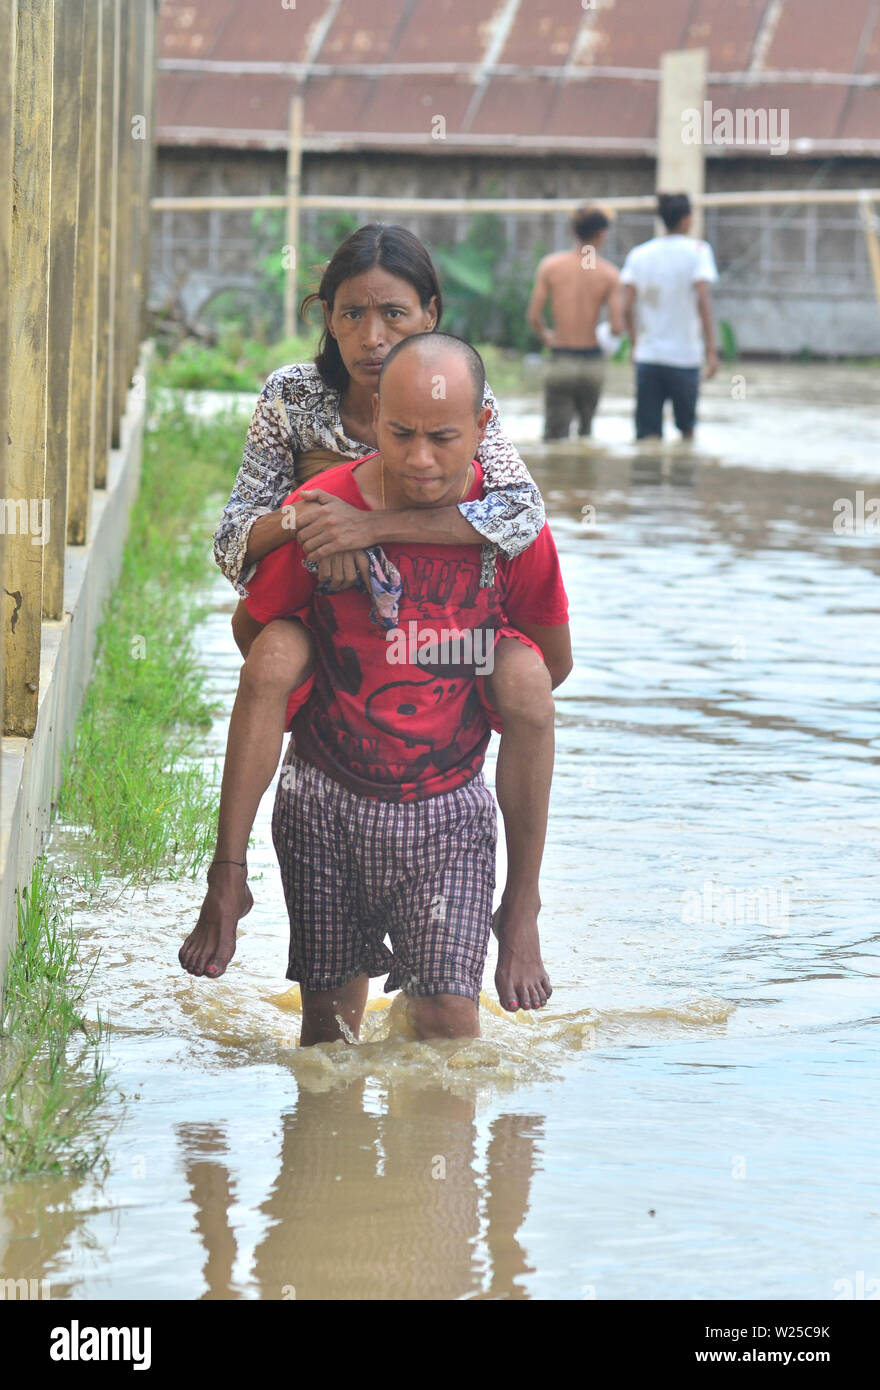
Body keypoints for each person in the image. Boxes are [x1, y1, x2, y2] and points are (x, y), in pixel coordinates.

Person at [180, 226, 557, 1010]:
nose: (371, 336)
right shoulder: (292, 396)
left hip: (437, 630)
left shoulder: (461, 394)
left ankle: (520, 903)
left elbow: (520, 515)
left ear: (430, 315)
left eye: (392, 314)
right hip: (317, 612)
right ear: (326, 317)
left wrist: (371, 526)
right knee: (274, 660)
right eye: (350, 315)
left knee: (525, 683)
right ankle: (228, 873)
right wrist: (312, 516)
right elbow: (230, 543)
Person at [245, 333, 571, 1043]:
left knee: (451, 1034)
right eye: (400, 435)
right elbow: (255, 636)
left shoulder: (510, 526)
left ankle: (520, 908)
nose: (420, 459)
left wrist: (450, 655)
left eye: (443, 438)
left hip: (447, 807)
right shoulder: (325, 510)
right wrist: (324, 647)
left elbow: (552, 667)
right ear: (372, 418)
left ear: (483, 429)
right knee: (328, 1041)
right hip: (327, 795)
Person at [620, 192, 720, 441]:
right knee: (687, 433)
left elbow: (625, 307)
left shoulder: (639, 254)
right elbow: (703, 301)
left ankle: (645, 479)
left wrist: (635, 344)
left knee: (647, 436)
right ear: (686, 219)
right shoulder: (699, 251)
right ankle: (683, 479)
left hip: (649, 357)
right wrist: (711, 350)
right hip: (684, 359)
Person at [527, 205, 624, 440]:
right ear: (602, 234)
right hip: (591, 364)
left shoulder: (551, 266)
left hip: (561, 360)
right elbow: (617, 327)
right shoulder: (609, 274)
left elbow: (533, 317)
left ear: (572, 232)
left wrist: (546, 336)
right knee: (585, 437)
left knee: (554, 438)